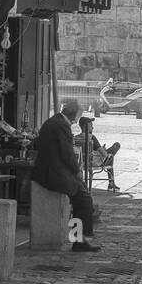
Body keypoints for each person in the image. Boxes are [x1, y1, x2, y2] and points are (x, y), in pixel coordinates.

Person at [31, 99, 99, 252]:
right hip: (53, 174)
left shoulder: (53, 121)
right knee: (84, 199)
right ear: (74, 115)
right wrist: (77, 171)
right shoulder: (63, 126)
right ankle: (79, 240)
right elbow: (68, 154)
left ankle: (78, 239)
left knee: (80, 197)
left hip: (49, 170)